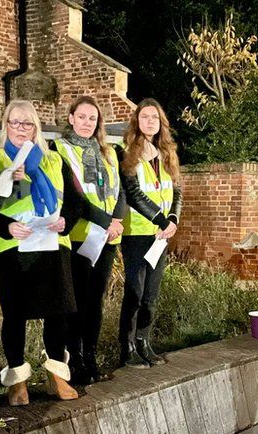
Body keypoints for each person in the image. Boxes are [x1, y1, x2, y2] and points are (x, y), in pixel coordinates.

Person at [0, 100, 80, 403]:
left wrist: (65, 221)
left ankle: (56, 376)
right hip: (15, 247)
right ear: (5, 125)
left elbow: (75, 202)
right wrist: (5, 190)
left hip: (53, 243)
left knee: (58, 311)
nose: (21, 129)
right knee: (15, 314)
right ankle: (17, 381)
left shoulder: (54, 159)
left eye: (28, 123)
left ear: (37, 128)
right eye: (15, 122)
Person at [51, 96, 125, 385]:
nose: (86, 123)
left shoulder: (108, 152)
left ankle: (91, 355)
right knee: (77, 302)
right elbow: (74, 195)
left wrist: (116, 221)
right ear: (70, 118)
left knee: (95, 302)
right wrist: (106, 221)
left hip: (107, 238)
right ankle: (75, 359)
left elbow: (119, 190)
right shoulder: (60, 149)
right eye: (81, 117)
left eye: (92, 118)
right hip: (80, 237)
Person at [118, 99, 183, 368]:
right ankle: (127, 347)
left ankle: (144, 341)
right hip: (137, 234)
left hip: (161, 235)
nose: (150, 122)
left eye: (154, 117)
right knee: (134, 292)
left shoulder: (167, 153)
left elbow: (177, 190)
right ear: (137, 121)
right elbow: (132, 192)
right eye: (144, 117)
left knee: (151, 296)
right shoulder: (127, 152)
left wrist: (173, 218)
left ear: (161, 123)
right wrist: (159, 219)